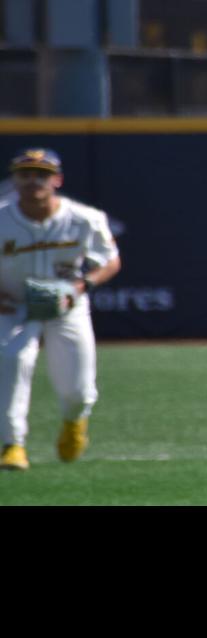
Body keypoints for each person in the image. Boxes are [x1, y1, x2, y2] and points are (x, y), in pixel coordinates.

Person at [0, 148, 122, 472]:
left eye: (41, 174)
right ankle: (12, 444)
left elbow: (109, 261)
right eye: (25, 174)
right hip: (12, 303)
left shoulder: (84, 219)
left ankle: (74, 421)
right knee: (11, 361)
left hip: (66, 304)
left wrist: (81, 287)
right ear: (15, 179)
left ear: (57, 180)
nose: (32, 181)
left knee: (79, 389)